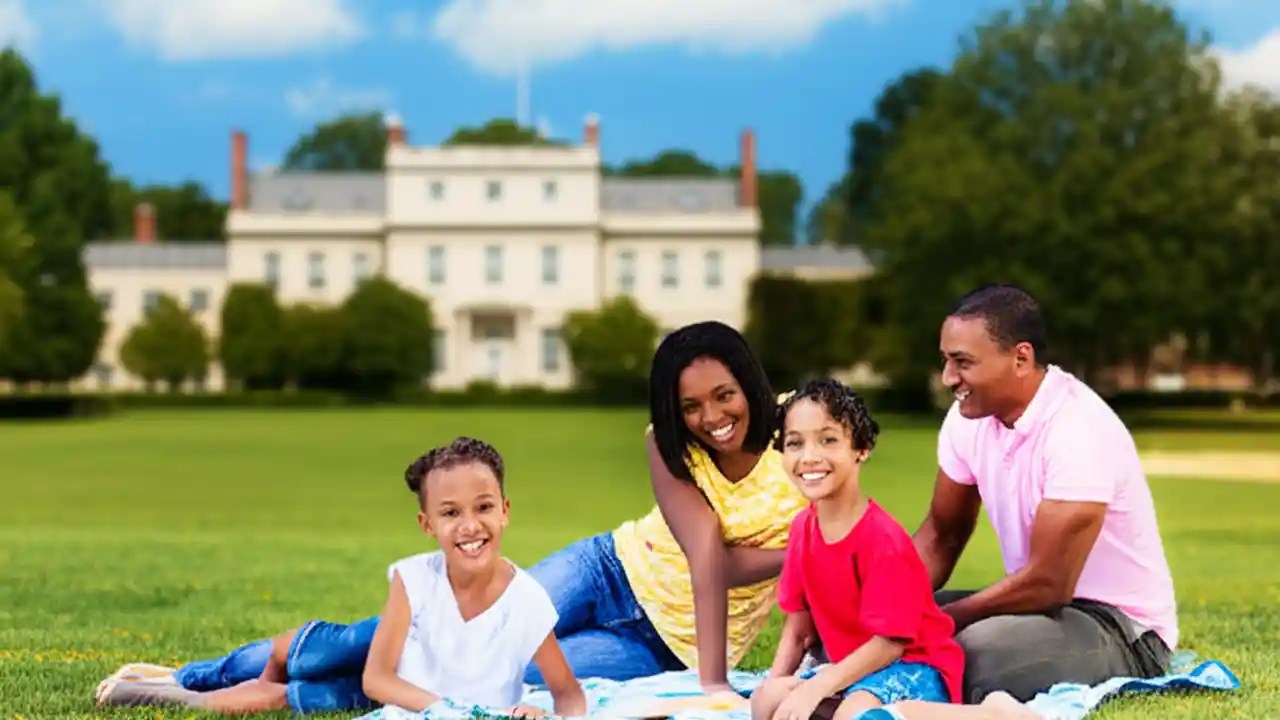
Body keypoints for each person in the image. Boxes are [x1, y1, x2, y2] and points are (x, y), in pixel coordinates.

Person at [96, 320, 810, 713]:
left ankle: (288, 697)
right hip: (608, 567)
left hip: (662, 644)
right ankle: (192, 676)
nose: (710, 417)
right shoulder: (666, 443)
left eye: (723, 396)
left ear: (748, 380)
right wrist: (801, 552)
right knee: (420, 631)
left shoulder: (800, 441)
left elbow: (827, 538)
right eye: (690, 406)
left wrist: (813, 553)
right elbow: (705, 553)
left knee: (479, 682)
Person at [99, 437, 588, 716]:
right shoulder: (415, 579)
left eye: (483, 508)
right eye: (450, 512)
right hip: (386, 657)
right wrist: (447, 710)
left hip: (401, 699)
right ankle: (187, 675)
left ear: (504, 511)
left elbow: (569, 695)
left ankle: (166, 694)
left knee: (289, 697)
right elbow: (379, 675)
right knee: (303, 655)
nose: (470, 526)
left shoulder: (525, 599)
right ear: (428, 525)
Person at [912, 284, 1178, 703]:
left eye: (963, 362)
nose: (949, 378)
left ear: (1021, 358)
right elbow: (941, 535)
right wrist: (879, 606)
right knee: (864, 631)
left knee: (973, 652)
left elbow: (1048, 582)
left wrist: (941, 622)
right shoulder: (968, 419)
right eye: (946, 360)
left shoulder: (1078, 428)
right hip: (1036, 611)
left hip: (1119, 628)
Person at [751, 380, 1036, 720]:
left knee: (854, 715)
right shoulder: (802, 529)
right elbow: (798, 629)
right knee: (766, 701)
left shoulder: (881, 538)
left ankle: (993, 715)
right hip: (850, 669)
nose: (809, 457)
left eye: (828, 440)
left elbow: (891, 643)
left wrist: (817, 687)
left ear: (861, 449)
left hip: (912, 663)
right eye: (795, 443)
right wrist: (777, 685)